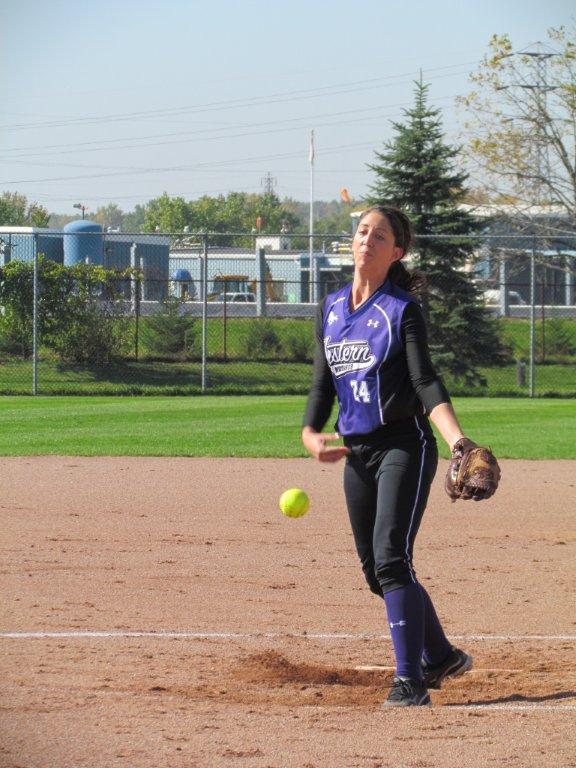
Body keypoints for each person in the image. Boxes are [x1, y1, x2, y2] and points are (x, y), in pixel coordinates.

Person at [301, 205, 475, 707]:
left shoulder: (402, 309)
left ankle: (411, 681)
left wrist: (456, 441)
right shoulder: (331, 308)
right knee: (376, 572)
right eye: (361, 232)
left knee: (392, 558)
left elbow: (425, 381)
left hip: (404, 445)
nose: (366, 241)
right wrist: (310, 432)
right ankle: (440, 655)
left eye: (379, 236)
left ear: (396, 252)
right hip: (357, 453)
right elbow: (322, 383)